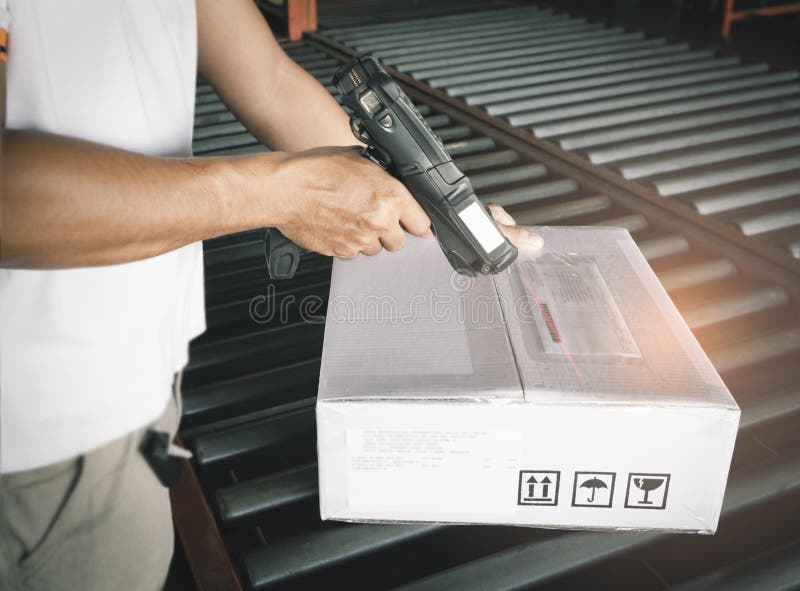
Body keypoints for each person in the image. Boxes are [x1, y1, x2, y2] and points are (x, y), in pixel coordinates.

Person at [0, 1, 540, 589]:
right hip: (37, 437)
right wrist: (281, 194)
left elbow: (268, 79)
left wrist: (430, 203)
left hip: (139, 392)